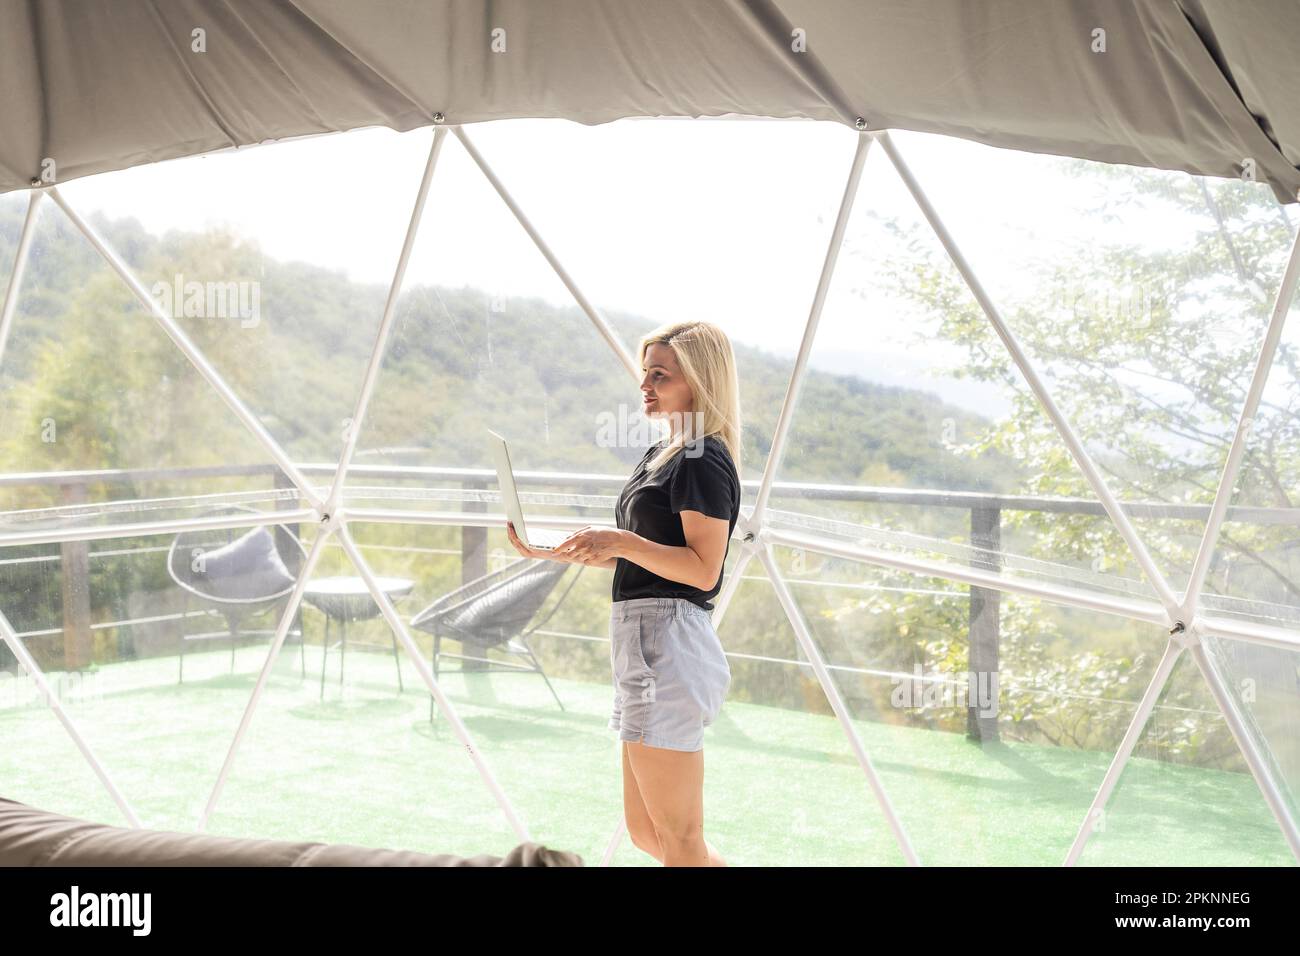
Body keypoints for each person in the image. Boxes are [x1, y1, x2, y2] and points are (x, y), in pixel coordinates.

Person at [506, 320, 742, 867]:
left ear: (699, 382)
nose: (645, 386)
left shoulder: (702, 459)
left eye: (660, 375)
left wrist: (622, 540)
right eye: (645, 373)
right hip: (642, 641)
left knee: (680, 838)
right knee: (648, 834)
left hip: (668, 644)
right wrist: (556, 550)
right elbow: (644, 554)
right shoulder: (664, 454)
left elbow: (704, 571)